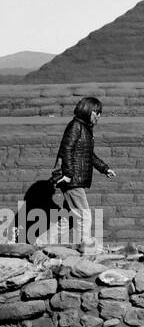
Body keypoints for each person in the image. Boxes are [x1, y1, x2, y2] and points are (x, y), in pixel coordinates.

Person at [50, 97, 116, 254]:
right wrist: (67, 174)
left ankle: (42, 243)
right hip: (72, 179)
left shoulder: (85, 128)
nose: (99, 116)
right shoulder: (75, 127)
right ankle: (85, 246)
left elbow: (88, 155)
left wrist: (104, 169)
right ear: (88, 110)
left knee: (67, 218)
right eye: (97, 112)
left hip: (73, 178)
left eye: (100, 113)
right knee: (84, 215)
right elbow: (66, 149)